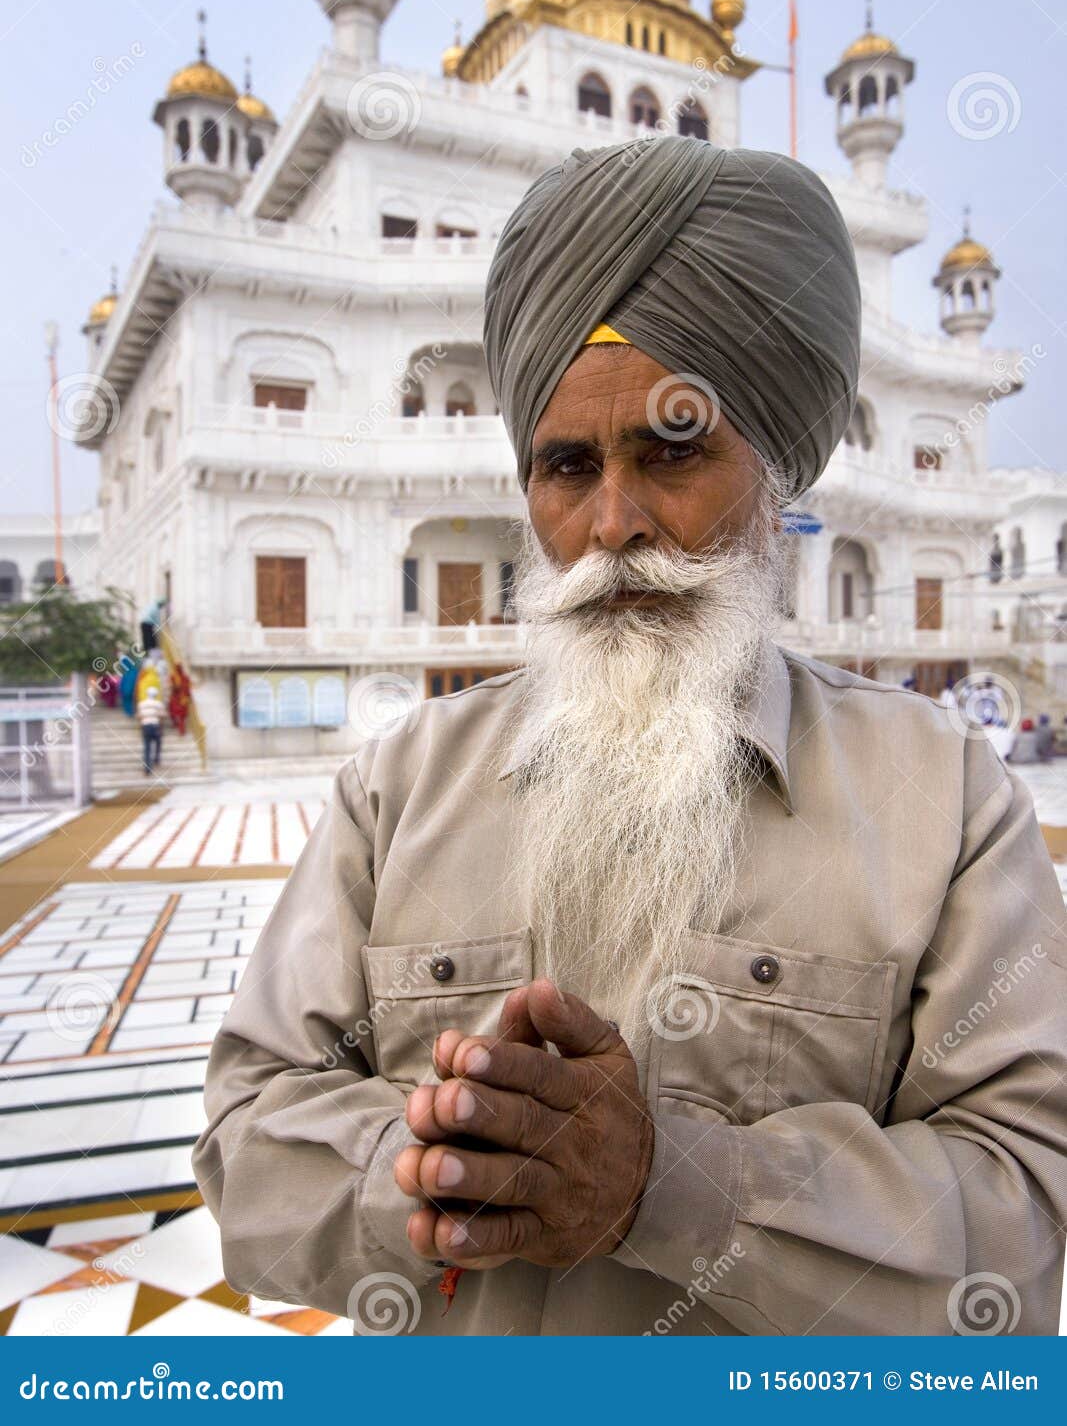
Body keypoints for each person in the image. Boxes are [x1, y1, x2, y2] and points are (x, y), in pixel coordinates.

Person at [192, 137, 1067, 1337]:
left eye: (672, 450)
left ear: (773, 470)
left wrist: (671, 1185)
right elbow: (244, 1150)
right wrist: (456, 1170)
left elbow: (1018, 1222)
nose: (613, 524)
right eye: (566, 466)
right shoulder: (401, 787)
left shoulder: (940, 798)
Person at [136, 682, 165, 775]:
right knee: (158, 743)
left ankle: (147, 768)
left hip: (145, 725)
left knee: (147, 748)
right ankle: (156, 759)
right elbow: (161, 715)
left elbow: (139, 716)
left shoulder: (141, 704)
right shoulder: (158, 704)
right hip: (155, 725)